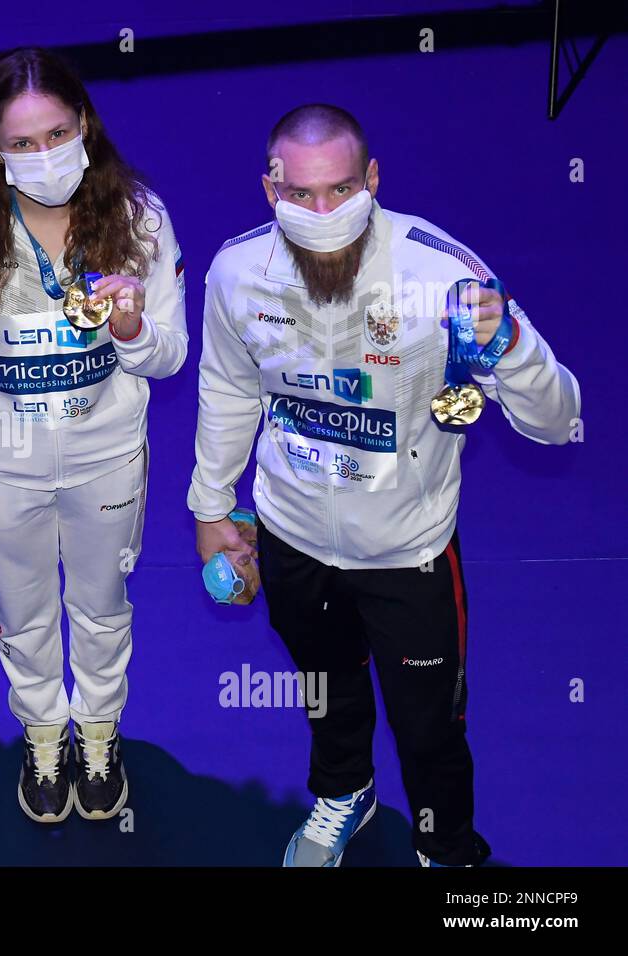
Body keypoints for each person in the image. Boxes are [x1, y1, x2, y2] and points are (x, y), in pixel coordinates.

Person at [189, 103, 580, 867]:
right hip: (289, 534)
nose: (323, 210)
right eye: (301, 194)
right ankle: (345, 792)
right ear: (270, 190)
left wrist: (513, 347)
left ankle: (446, 845)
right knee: (325, 686)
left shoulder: (443, 276)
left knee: (429, 721)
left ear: (372, 179)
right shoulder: (238, 272)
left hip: (410, 552)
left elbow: (556, 421)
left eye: (340, 189)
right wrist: (209, 509)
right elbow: (227, 391)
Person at [0, 48, 188, 825]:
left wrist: (130, 328)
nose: (43, 155)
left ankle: (99, 731)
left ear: (85, 124)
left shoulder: (140, 218)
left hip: (107, 458)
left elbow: (169, 355)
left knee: (101, 604)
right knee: (21, 611)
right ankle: (43, 733)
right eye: (20, 144)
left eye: (56, 133)